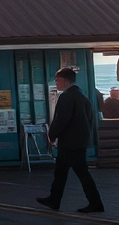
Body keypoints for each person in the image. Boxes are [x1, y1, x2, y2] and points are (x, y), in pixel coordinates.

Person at [37, 66, 102, 213]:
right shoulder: (82, 96)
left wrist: (52, 135)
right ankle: (54, 199)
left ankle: (95, 202)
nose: (56, 82)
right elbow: (89, 119)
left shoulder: (66, 97)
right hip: (79, 141)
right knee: (62, 171)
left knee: (78, 172)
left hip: (70, 143)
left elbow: (61, 119)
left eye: (58, 80)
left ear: (66, 81)